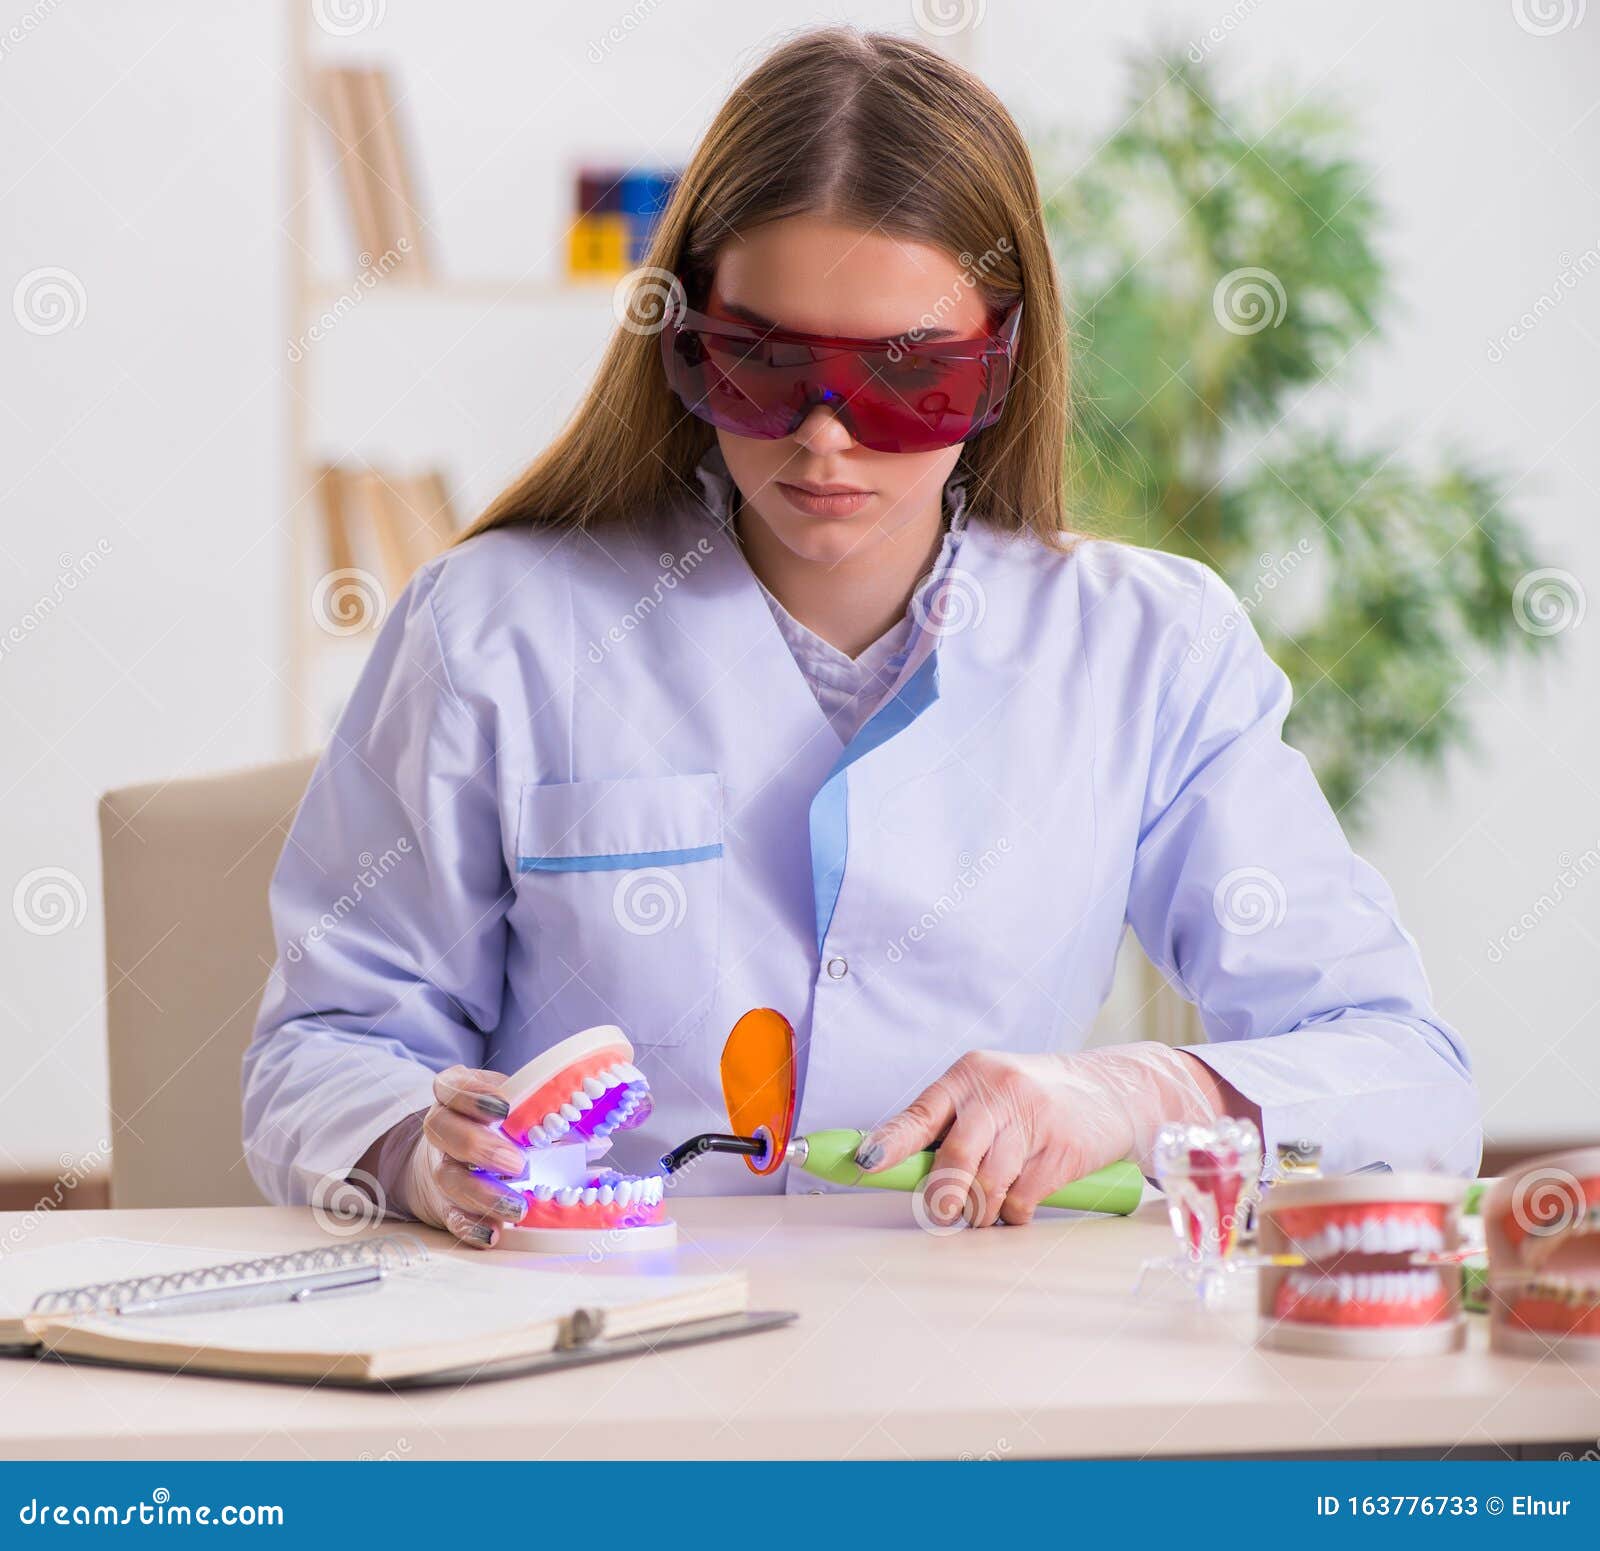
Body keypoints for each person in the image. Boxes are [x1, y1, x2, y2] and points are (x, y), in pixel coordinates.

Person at [242, 28, 1479, 1248]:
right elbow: (323, 1047)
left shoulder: (1151, 650)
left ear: (1001, 367)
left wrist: (1136, 1093)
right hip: (590, 1347)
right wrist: (415, 1147)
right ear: (683, 344)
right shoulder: (493, 631)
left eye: (906, 378)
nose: (826, 438)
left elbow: (1405, 1079)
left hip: (975, 1367)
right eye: (764, 366)